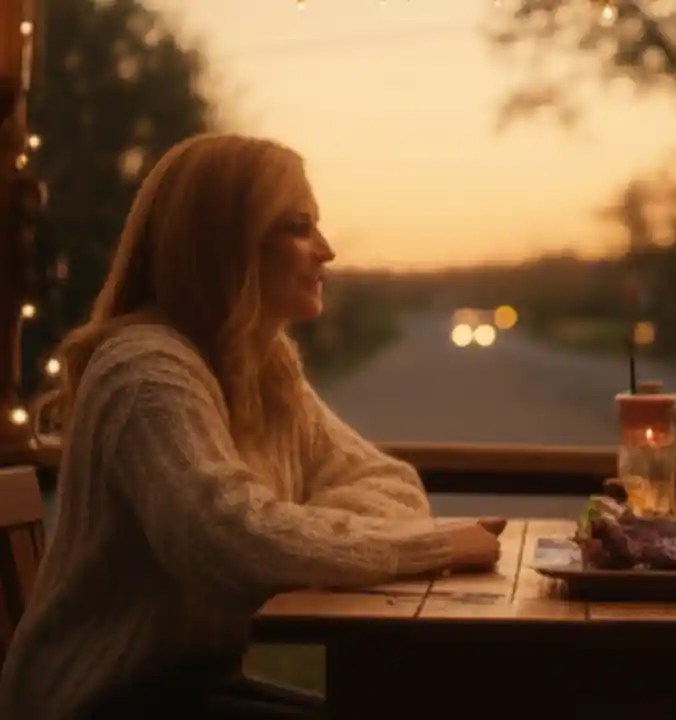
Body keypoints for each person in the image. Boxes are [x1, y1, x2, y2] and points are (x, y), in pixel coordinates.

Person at [0, 134, 504, 719]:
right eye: (298, 227)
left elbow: (391, 485)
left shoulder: (264, 367)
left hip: (193, 687)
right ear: (225, 243)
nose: (327, 251)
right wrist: (434, 545)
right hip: (103, 701)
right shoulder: (144, 372)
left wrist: (299, 532)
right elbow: (229, 541)